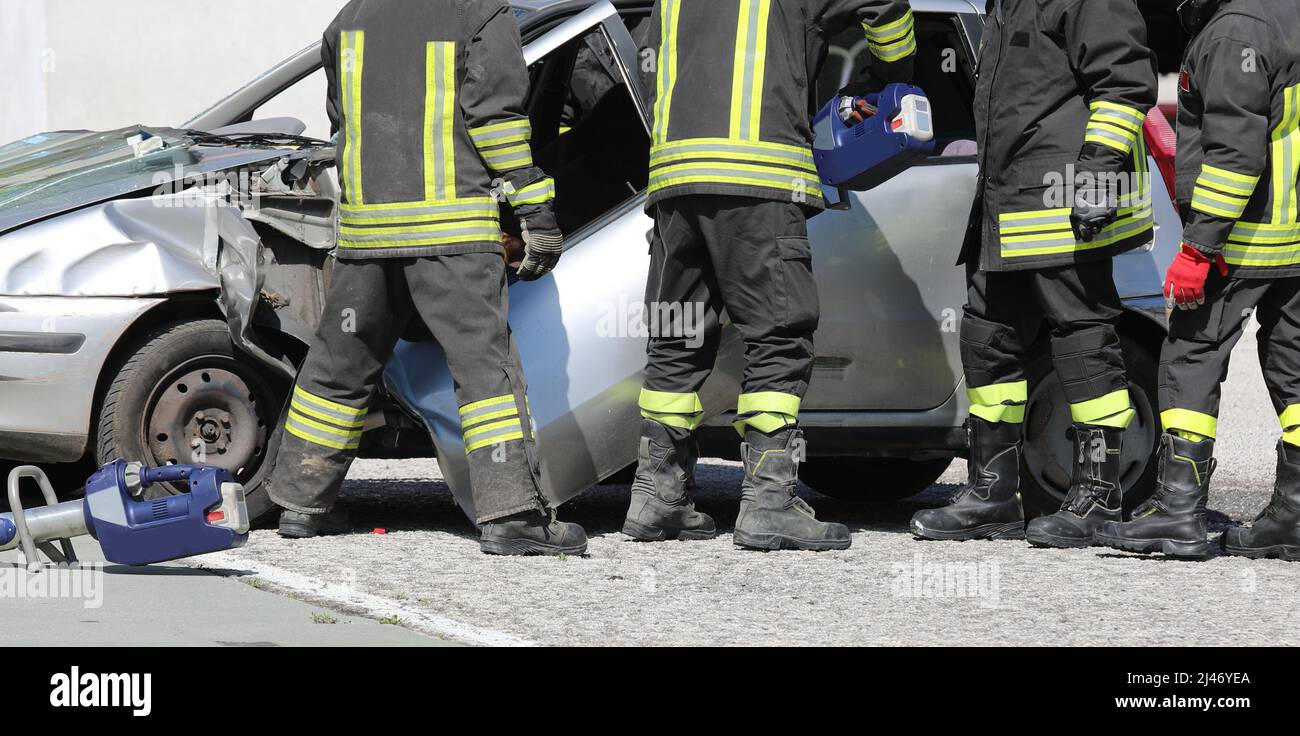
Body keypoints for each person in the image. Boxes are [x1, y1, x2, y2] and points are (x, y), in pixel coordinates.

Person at [266, 0, 588, 557]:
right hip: (451, 237)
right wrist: (535, 211)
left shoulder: (350, 19)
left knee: (339, 366)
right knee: (485, 374)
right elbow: (498, 125)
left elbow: (342, 126)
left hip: (368, 236)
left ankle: (302, 502)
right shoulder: (481, 13)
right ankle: (512, 517)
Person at [625, 0, 916, 551]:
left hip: (674, 184)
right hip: (758, 180)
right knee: (779, 337)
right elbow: (888, 8)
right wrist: (893, 75)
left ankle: (656, 497)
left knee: (676, 337)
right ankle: (769, 503)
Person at [910, 0, 1158, 547]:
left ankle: (1099, 496)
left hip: (1065, 202)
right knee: (987, 337)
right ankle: (993, 493)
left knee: (1083, 343)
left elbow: (1124, 85)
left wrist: (1096, 177)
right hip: (1005, 204)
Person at [1097, 0, 1300, 560]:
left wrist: (1198, 247)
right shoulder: (1284, 17)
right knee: (1295, 366)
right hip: (1295, 237)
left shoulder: (1235, 30)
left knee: (1189, 355)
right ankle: (1295, 514)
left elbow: (1235, 153)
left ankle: (1178, 510)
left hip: (1245, 239)